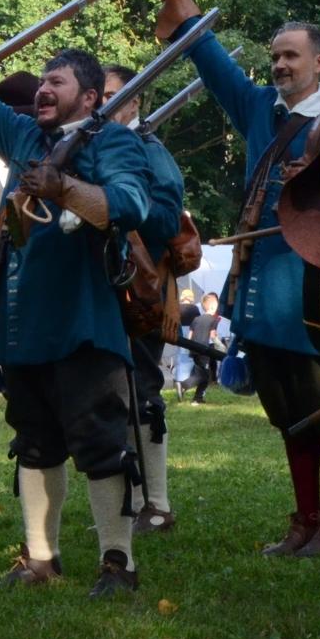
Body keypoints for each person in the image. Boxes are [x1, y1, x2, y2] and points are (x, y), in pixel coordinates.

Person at [0, 9, 154, 599]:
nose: (43, 89)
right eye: (42, 82)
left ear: (91, 96)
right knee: (35, 443)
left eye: (58, 83)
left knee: (101, 443)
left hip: (84, 321)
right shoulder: (24, 137)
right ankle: (40, 558)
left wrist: (67, 187)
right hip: (21, 325)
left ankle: (117, 561)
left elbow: (128, 205)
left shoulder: (113, 140)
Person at [153, 0, 320, 558]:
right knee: (289, 412)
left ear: (319, 63)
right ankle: (303, 520)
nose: (280, 64)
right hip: (260, 289)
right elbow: (214, 63)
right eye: (275, 56)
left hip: (319, 286)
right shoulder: (260, 111)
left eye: (292, 56)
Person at [101, 64, 189, 536]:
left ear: (135, 102)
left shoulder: (150, 150)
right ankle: (127, 504)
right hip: (105, 290)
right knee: (109, 398)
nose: (106, 104)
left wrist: (116, 200)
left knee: (143, 396)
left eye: (115, 95)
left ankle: (155, 504)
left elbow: (165, 220)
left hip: (142, 292)